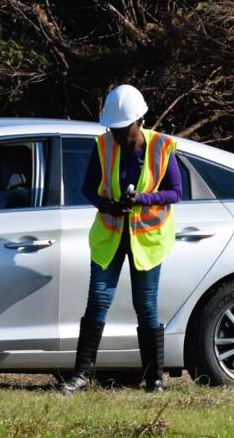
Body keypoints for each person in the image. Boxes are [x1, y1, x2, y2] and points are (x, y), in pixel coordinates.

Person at [58, 84, 182, 393]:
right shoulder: (104, 145)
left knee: (146, 307)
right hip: (110, 235)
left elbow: (176, 193)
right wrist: (107, 204)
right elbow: (88, 187)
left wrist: (142, 199)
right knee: (98, 301)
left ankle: (154, 379)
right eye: (112, 129)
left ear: (139, 121)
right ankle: (81, 376)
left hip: (147, 238)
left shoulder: (161, 147)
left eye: (122, 129)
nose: (116, 135)